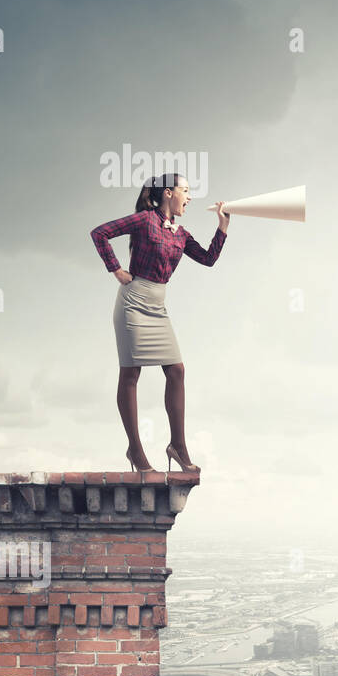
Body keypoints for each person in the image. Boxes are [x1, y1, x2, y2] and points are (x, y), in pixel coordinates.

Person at [90, 173, 230, 473]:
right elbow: (99, 233)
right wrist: (116, 270)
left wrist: (222, 227)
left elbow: (208, 259)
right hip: (133, 302)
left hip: (158, 305)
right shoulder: (143, 220)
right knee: (131, 374)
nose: (189, 197)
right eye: (185, 191)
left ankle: (177, 446)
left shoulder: (181, 234)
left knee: (177, 370)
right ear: (168, 193)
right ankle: (136, 451)